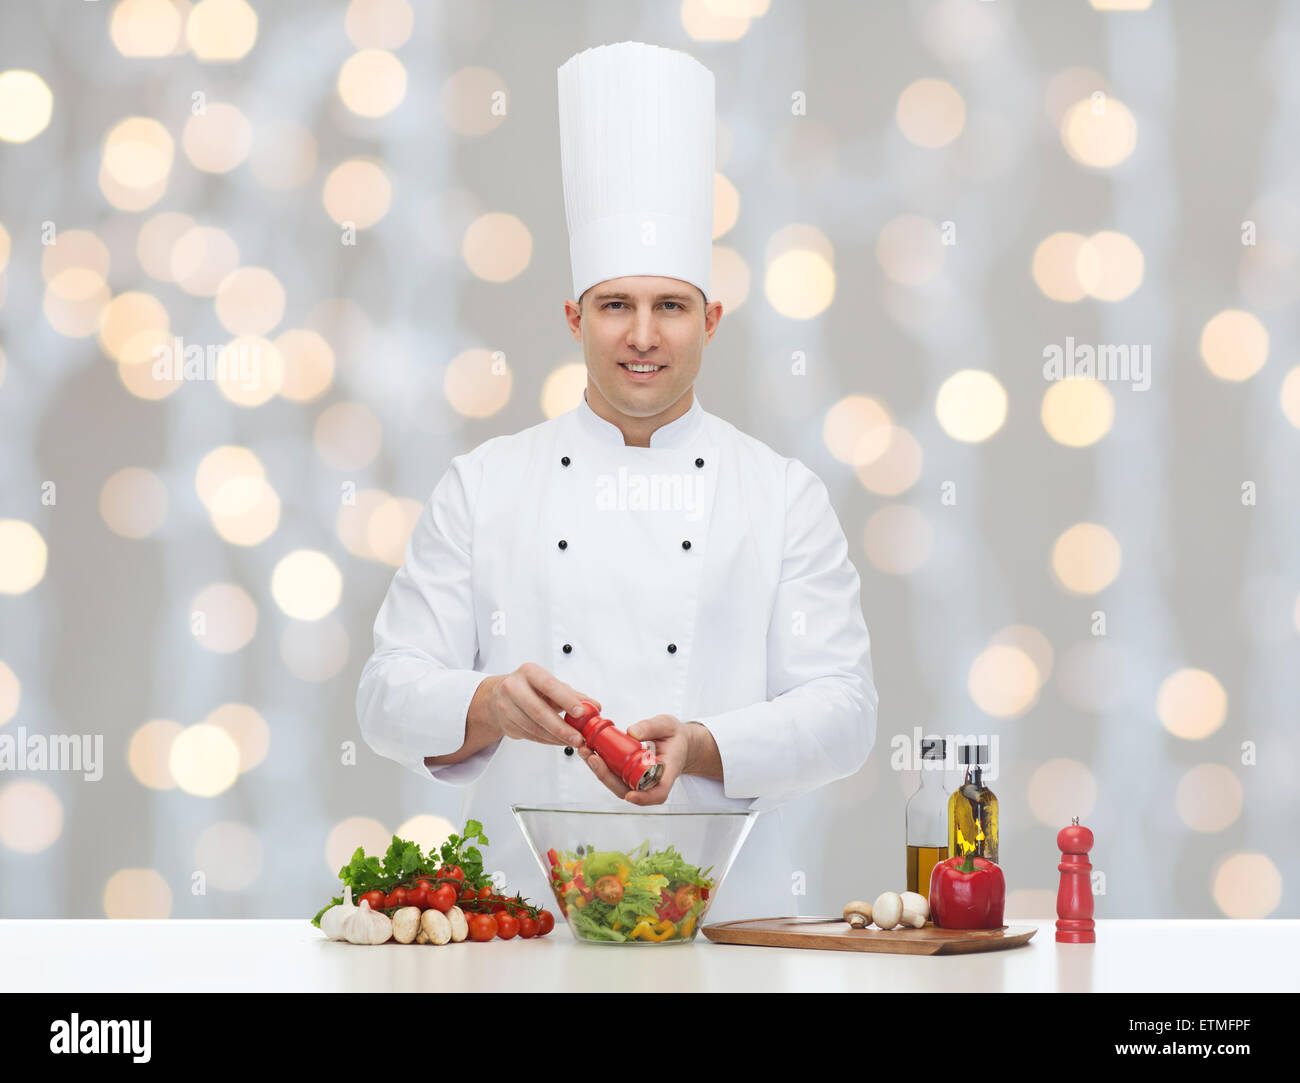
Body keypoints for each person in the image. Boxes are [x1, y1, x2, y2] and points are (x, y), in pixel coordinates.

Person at [357, 41, 878, 925]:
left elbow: (845, 712)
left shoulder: (781, 494)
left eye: (670, 306)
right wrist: (487, 703)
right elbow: (384, 697)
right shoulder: (484, 485)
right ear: (574, 318)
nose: (642, 335)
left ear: (710, 320)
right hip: (520, 929)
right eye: (614, 306)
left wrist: (707, 743)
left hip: (722, 928)